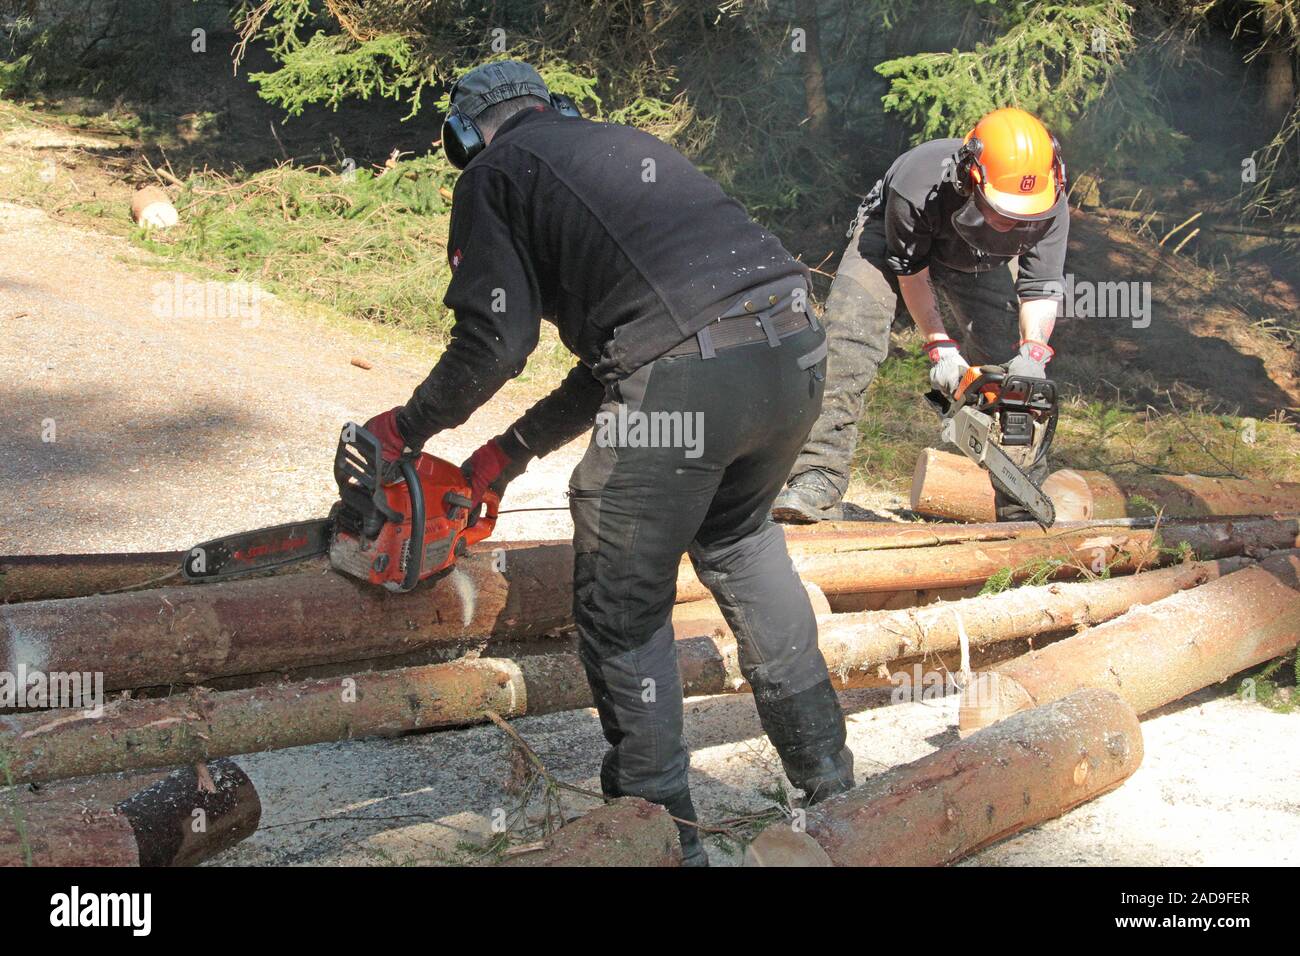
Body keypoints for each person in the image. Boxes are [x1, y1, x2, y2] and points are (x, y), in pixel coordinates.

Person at [361, 61, 854, 865]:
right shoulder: (617, 149)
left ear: (461, 136)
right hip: (794, 347)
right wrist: (501, 455)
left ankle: (661, 834)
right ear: (554, 106)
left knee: (622, 607)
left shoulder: (496, 172)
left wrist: (404, 429)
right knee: (741, 542)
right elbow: (626, 353)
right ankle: (832, 790)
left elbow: (496, 340)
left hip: (694, 375)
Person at [771, 107, 1069, 523]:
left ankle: (1020, 496)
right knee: (848, 340)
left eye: (1022, 215)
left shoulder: (1047, 200)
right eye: (1001, 209)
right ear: (971, 177)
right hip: (891, 245)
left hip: (980, 261)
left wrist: (1034, 353)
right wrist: (940, 348)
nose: (1010, 222)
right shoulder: (919, 181)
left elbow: (1039, 289)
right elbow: (910, 271)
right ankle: (818, 477)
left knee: (1013, 378)